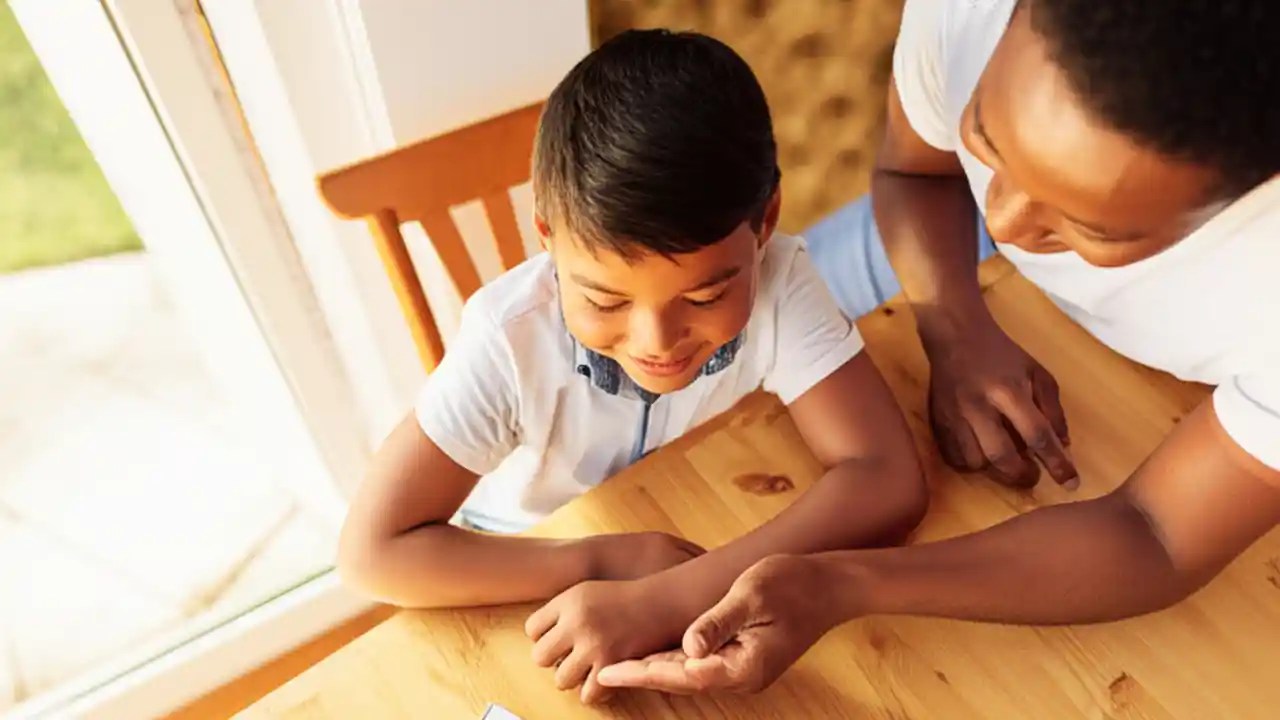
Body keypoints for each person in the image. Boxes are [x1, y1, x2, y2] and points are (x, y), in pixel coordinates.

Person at [596, 0, 1280, 695]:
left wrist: (837, 584)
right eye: (986, 138)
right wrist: (954, 323)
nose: (1007, 222)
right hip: (934, 218)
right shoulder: (974, 11)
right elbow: (918, 173)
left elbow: (1157, 534)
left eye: (1092, 228)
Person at [336, 29, 929, 704]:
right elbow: (370, 554)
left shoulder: (779, 280)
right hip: (515, 567)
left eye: (706, 296)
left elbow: (887, 478)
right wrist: (604, 560)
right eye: (603, 299)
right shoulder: (509, 340)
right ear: (548, 237)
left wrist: (670, 597)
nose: (659, 341)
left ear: (765, 224)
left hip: (692, 524)